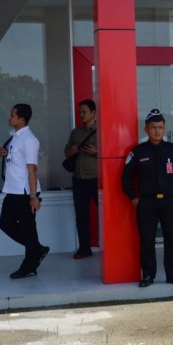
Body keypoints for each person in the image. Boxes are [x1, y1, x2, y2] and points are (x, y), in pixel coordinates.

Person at [121, 108, 173, 287]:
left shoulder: (172, 150)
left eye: (160, 127)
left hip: (169, 202)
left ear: (164, 128)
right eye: (153, 127)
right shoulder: (138, 152)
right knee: (147, 240)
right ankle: (148, 275)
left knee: (172, 239)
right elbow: (125, 177)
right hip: (147, 203)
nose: (157, 131)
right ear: (146, 129)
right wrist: (133, 199)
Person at [0, 103, 50, 279]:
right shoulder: (15, 137)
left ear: (21, 119)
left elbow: (32, 169)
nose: (9, 118)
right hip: (12, 190)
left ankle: (29, 264)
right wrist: (5, 153)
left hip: (25, 192)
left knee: (28, 230)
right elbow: (17, 159)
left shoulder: (29, 139)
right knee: (5, 224)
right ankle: (37, 249)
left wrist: (34, 196)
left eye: (12, 115)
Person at [64, 99, 99, 259]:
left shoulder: (101, 130)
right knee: (81, 215)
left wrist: (96, 152)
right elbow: (66, 152)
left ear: (93, 112)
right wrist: (71, 151)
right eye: (80, 112)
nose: (81, 115)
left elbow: (111, 152)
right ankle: (85, 248)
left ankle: (109, 246)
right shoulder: (75, 132)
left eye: (84, 112)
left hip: (96, 178)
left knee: (104, 214)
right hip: (79, 179)